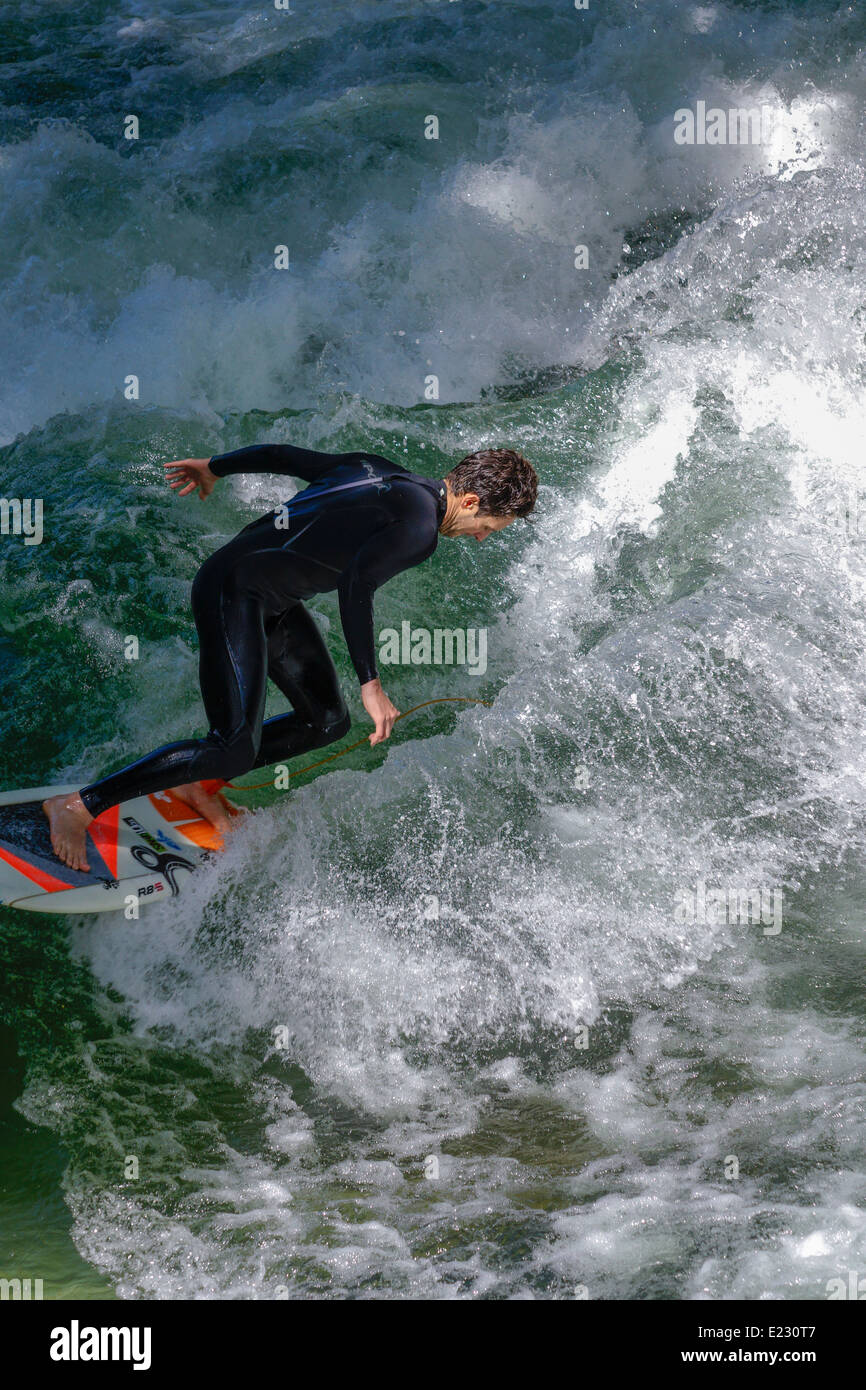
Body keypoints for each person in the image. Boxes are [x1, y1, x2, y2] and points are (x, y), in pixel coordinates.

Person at [42, 443, 538, 870]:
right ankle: (78, 805)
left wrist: (214, 466)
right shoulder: (420, 530)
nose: (481, 537)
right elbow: (356, 584)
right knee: (232, 742)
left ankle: (201, 784)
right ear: (470, 500)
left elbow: (284, 455)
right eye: (489, 525)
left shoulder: (377, 469)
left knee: (326, 722)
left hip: (270, 598)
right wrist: (371, 684)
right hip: (233, 592)